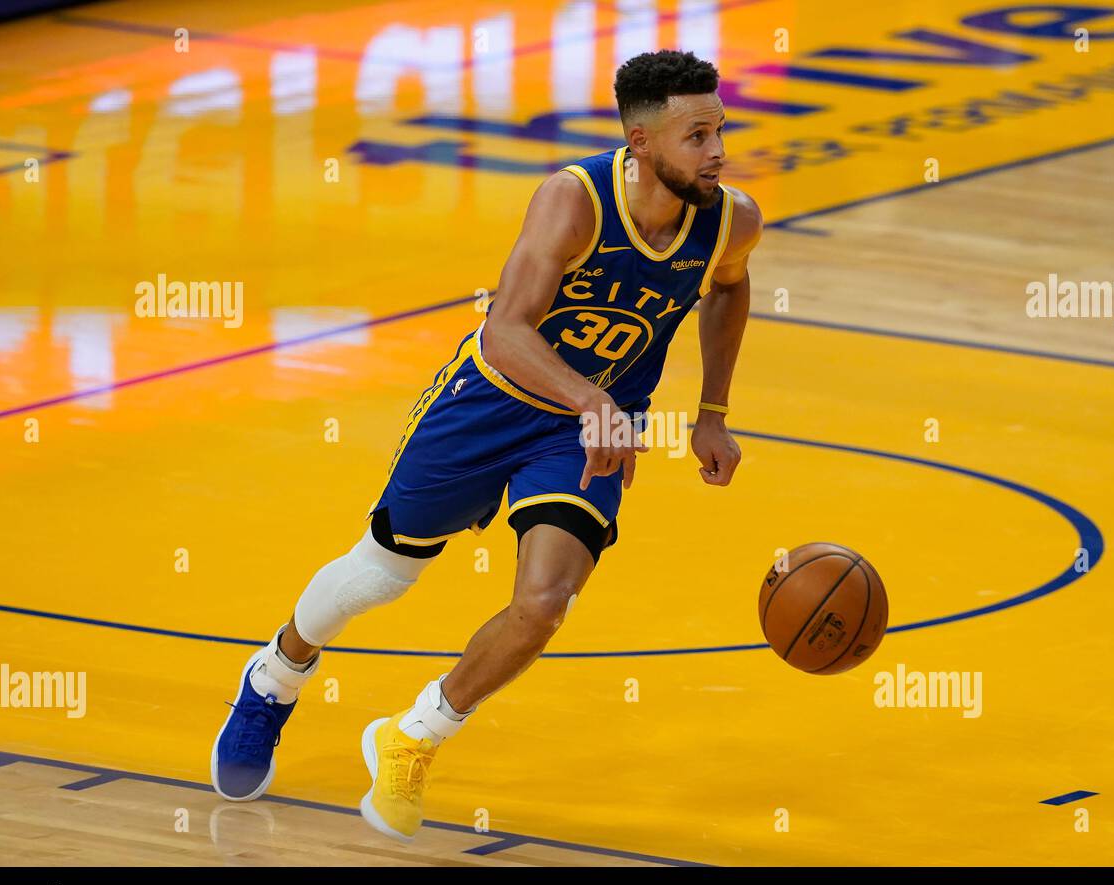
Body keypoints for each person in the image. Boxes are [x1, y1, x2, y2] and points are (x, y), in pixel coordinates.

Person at [211, 48, 763, 842]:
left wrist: (712, 410)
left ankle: (413, 737)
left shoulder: (730, 220)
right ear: (641, 143)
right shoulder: (573, 202)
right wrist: (593, 398)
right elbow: (506, 329)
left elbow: (732, 286)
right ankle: (276, 674)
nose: (718, 152)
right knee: (380, 576)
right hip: (492, 401)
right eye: (697, 136)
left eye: (721, 131)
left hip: (583, 433)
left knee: (545, 605)